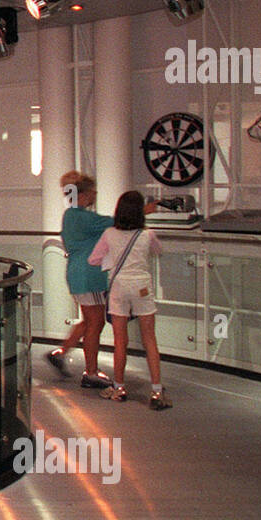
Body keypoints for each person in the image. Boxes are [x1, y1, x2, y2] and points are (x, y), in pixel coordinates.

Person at [89, 190, 172, 410]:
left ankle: (119, 387)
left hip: (118, 287)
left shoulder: (109, 234)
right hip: (142, 286)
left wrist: (112, 259)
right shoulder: (147, 234)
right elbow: (158, 251)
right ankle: (156, 390)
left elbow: (94, 259)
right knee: (150, 339)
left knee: (120, 340)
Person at [48, 172, 114, 388]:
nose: (95, 195)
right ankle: (91, 372)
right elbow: (120, 221)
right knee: (96, 322)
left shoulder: (70, 216)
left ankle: (62, 352)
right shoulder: (86, 218)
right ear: (84, 194)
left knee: (88, 320)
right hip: (89, 275)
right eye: (93, 192)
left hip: (77, 274)